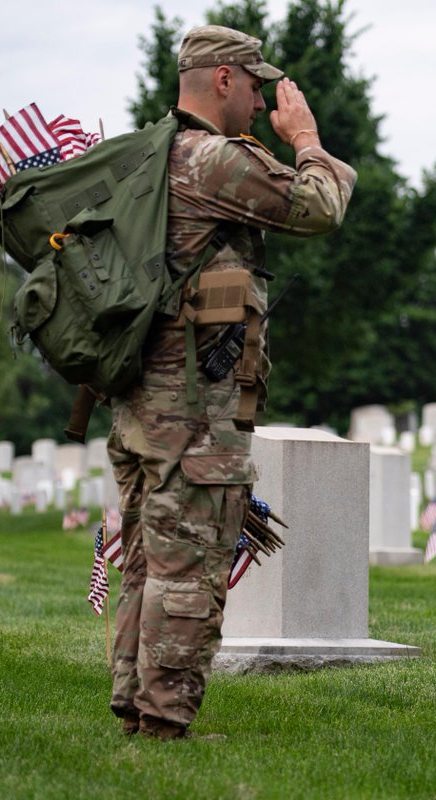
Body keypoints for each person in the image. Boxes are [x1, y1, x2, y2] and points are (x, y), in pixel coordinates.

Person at [105, 25, 356, 741]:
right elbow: (319, 206)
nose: (259, 102)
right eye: (253, 85)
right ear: (221, 80)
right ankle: (165, 723)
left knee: (150, 567)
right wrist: (304, 138)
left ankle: (137, 707)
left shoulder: (146, 157)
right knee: (191, 570)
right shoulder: (212, 160)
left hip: (135, 408)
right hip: (191, 413)